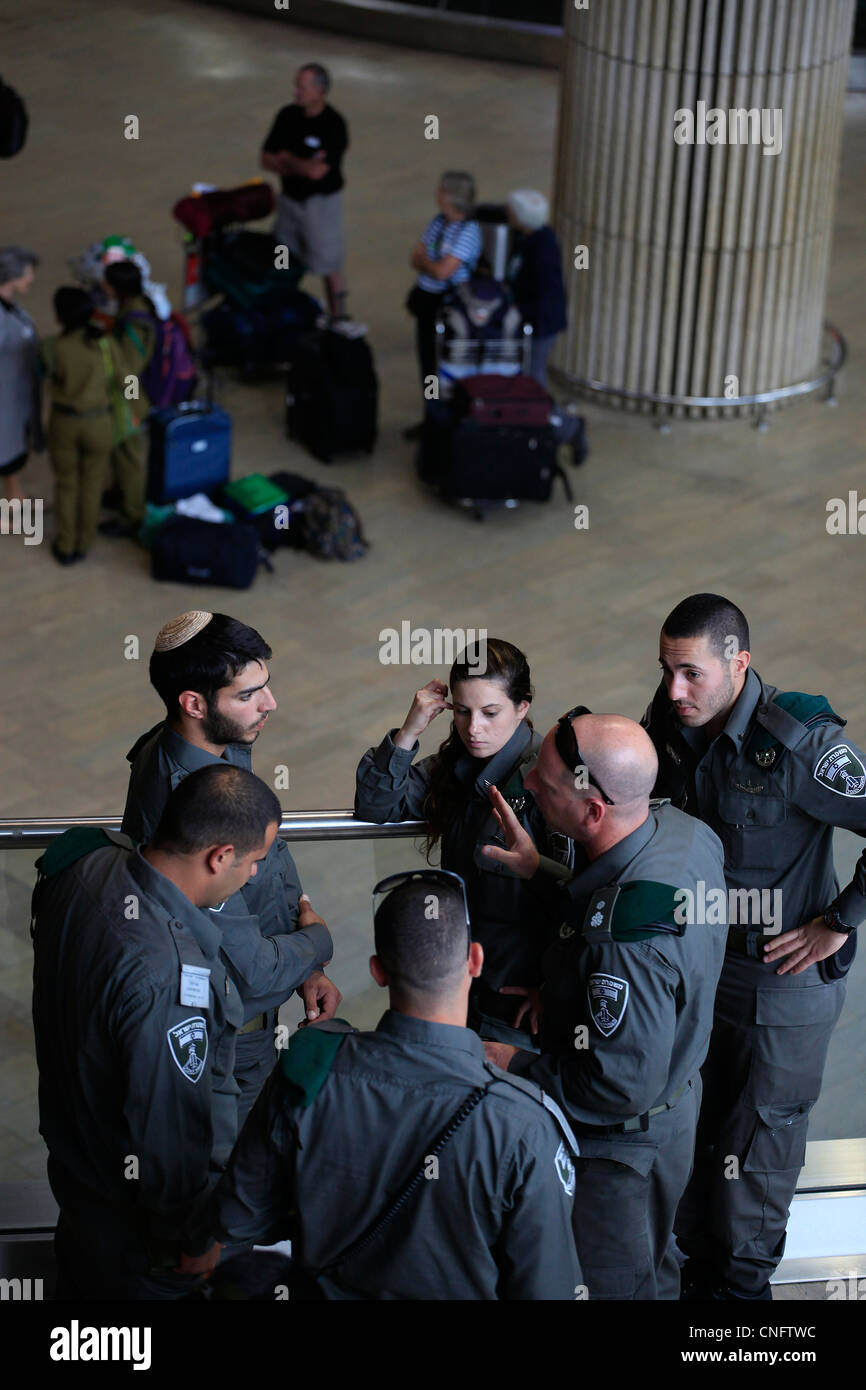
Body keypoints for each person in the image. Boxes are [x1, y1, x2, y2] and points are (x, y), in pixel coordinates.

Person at [210, 870, 581, 1300]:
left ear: (378, 971)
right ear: (475, 960)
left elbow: (238, 1217)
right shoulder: (525, 1125)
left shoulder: (310, 1069)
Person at [642, 592, 865, 1301]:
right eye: (665, 671)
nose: (673, 690)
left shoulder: (800, 742)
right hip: (698, 969)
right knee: (688, 1148)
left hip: (780, 982)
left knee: (755, 1165)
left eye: (690, 674)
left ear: (739, 664)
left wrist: (840, 918)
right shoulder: (673, 719)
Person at [482, 710, 727, 1300]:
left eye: (544, 781)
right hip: (675, 1106)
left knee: (612, 1284)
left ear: (593, 811)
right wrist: (539, 868)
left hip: (623, 1151)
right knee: (655, 1266)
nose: (530, 786)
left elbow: (618, 1085)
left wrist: (509, 1064)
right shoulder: (686, 835)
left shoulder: (622, 949)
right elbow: (624, 897)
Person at [32, 763, 279, 1300]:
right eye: (255, 861)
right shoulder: (169, 977)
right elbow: (167, 1132)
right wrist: (191, 1240)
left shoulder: (87, 868)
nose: (255, 874)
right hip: (139, 1247)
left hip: (79, 1196)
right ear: (219, 857)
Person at [122, 610, 340, 1126]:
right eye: (248, 695)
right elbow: (255, 970)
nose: (271, 704)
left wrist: (308, 966)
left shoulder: (216, 744)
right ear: (193, 703)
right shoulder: (187, 805)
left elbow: (268, 855)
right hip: (228, 1041)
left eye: (265, 685)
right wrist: (320, 942)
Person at [355, 638, 573, 1047]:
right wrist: (410, 730)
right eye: (462, 711)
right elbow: (374, 807)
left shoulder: (551, 781)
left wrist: (559, 989)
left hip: (517, 1007)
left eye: (491, 713)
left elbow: (587, 895)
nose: (474, 729)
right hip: (457, 990)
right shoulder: (455, 766)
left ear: (522, 707)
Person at [39, 286, 127, 565]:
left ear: (59, 317)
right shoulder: (105, 343)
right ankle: (84, 543)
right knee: (92, 485)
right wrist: (135, 406)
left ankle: (65, 547)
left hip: (64, 423)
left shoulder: (52, 347)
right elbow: (128, 380)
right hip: (99, 423)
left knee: (66, 484)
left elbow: (44, 375)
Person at [260, 63, 349, 318]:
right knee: (282, 255)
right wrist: (302, 163)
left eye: (302, 87)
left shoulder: (334, 125)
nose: (295, 92)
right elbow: (266, 159)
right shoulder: (287, 116)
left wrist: (287, 160)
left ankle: (338, 317)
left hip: (320, 207)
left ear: (320, 91)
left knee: (328, 264)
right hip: (289, 202)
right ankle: (281, 308)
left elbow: (317, 172)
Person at [403, 171, 482, 439]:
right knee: (427, 366)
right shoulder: (439, 222)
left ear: (451, 198)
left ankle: (443, 423)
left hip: (448, 310)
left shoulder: (468, 232)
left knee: (442, 367)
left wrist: (429, 264)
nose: (436, 193)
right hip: (427, 306)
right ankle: (430, 418)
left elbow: (441, 272)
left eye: (441, 190)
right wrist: (430, 264)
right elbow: (417, 258)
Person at [96, 258, 153, 539]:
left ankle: (132, 517)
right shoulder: (133, 306)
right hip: (128, 395)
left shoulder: (135, 324)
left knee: (128, 457)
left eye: (107, 283)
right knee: (120, 455)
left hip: (129, 398)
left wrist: (127, 407)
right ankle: (121, 495)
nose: (103, 287)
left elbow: (129, 371)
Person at [504, 189, 567, 388]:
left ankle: (540, 412)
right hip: (534, 316)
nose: (508, 214)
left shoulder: (542, 250)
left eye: (511, 211)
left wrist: (519, 310)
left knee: (533, 371)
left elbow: (545, 294)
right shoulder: (532, 236)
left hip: (541, 322)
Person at [0, 244, 43, 505]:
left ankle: (15, 497)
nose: (31, 278)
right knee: (7, 454)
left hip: (14, 398)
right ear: (11, 277)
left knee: (11, 453)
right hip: (5, 401)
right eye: (27, 273)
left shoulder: (11, 307)